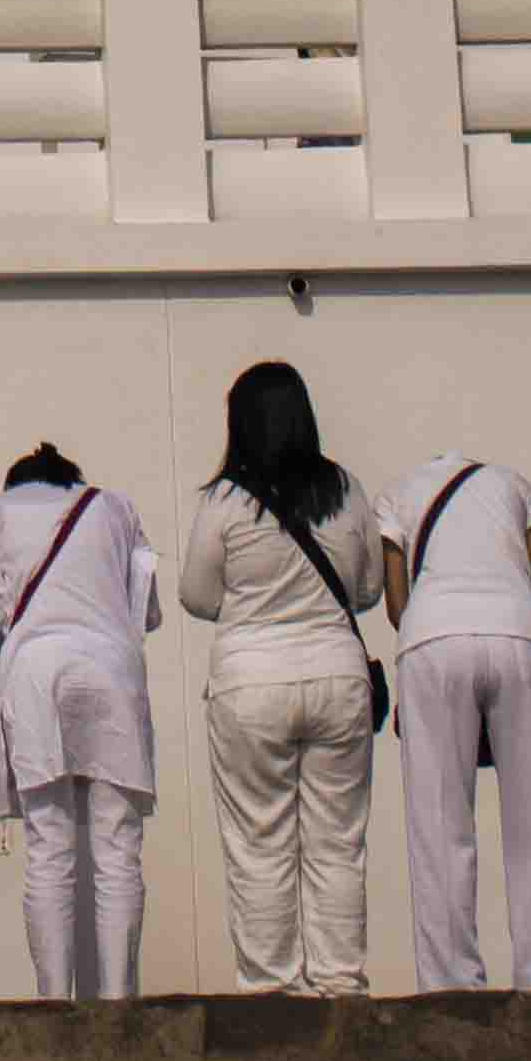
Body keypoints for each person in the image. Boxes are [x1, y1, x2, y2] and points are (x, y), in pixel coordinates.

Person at [186, 360, 382, 996]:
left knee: (260, 843)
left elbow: (195, 593)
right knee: (336, 843)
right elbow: (369, 589)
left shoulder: (226, 500)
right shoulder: (347, 490)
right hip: (336, 675)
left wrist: (248, 606)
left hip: (251, 683)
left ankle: (273, 988)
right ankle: (340, 982)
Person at [0, 443, 158, 998]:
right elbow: (148, 608)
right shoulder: (115, 509)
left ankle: (52, 1002)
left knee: (49, 847)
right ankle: (118, 1002)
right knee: (118, 848)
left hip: (36, 671)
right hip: (111, 669)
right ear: (72, 482)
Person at [381, 431, 531, 991]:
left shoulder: (398, 494)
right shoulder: (516, 486)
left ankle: (450, 983)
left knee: (439, 822)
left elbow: (396, 602)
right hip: (520, 632)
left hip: (433, 636)